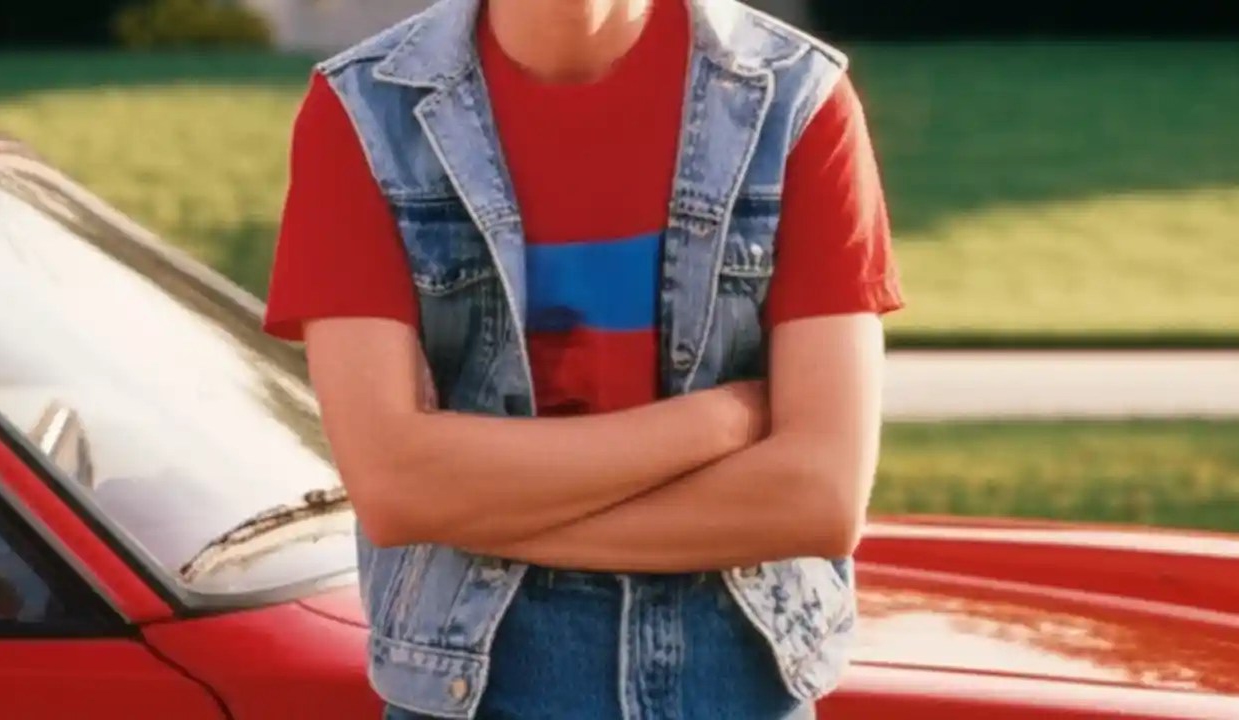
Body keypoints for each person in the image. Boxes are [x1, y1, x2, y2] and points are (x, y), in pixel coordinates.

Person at [263, 0, 903, 716]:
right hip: (477, 688)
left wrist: (481, 513)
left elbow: (817, 496)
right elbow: (394, 486)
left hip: (734, 684)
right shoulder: (366, 111)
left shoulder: (795, 99)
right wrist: (717, 424)